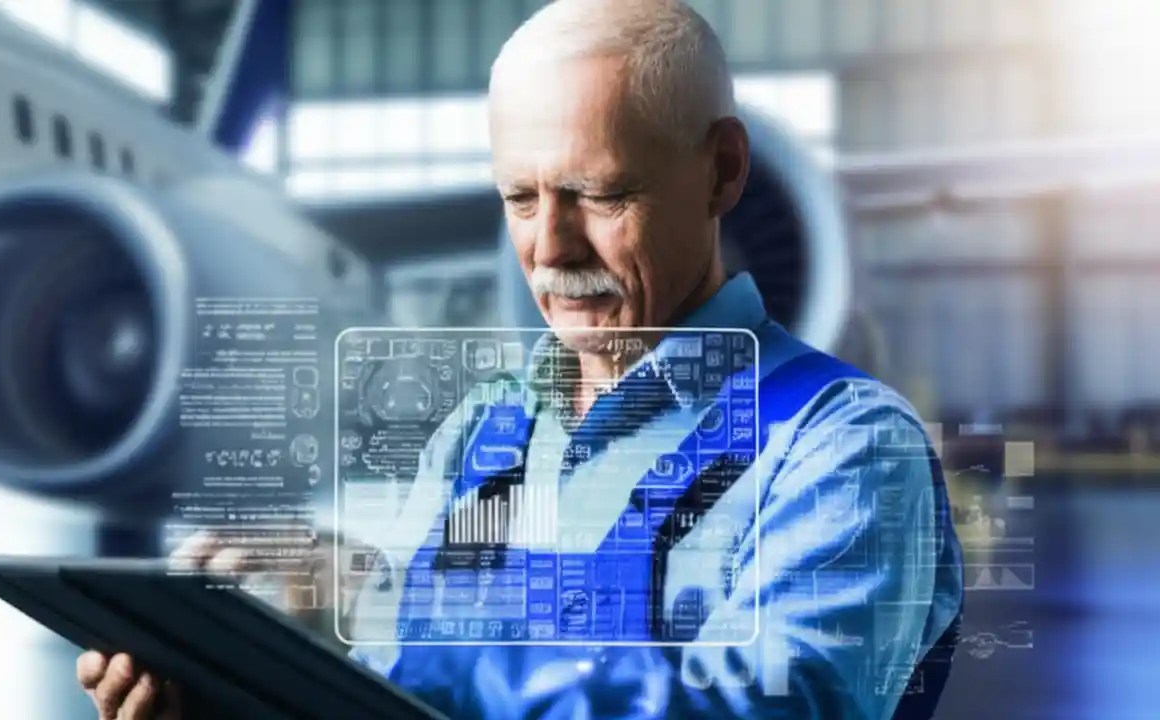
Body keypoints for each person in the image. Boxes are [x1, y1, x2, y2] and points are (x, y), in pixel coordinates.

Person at [77, 1, 963, 718]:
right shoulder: (489, 434)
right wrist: (243, 686)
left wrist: (375, 607)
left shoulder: (844, 450)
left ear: (723, 172)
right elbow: (407, 691)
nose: (549, 247)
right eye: (520, 197)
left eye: (599, 194)